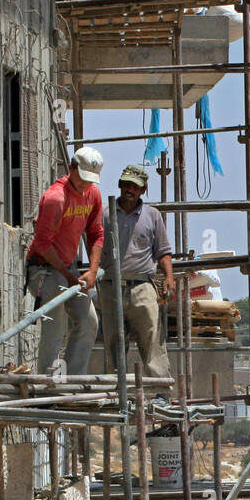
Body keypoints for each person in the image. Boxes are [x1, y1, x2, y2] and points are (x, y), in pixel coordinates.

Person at [25, 146, 104, 376]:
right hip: (45, 269)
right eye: (81, 178)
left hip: (68, 268)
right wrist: (69, 276)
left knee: (88, 321)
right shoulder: (55, 198)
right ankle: (47, 387)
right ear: (71, 168)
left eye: (90, 180)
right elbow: (42, 245)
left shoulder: (93, 194)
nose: (84, 185)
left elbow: (96, 233)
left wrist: (92, 270)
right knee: (55, 327)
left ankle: (72, 380)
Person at [99, 163, 174, 392]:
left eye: (135, 186)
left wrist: (169, 277)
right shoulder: (105, 213)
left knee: (152, 341)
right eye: (126, 184)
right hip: (111, 287)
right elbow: (93, 244)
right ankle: (115, 391)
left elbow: (163, 251)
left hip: (142, 286)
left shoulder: (152, 215)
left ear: (143, 190)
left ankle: (160, 392)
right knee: (113, 341)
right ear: (120, 185)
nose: (129, 189)